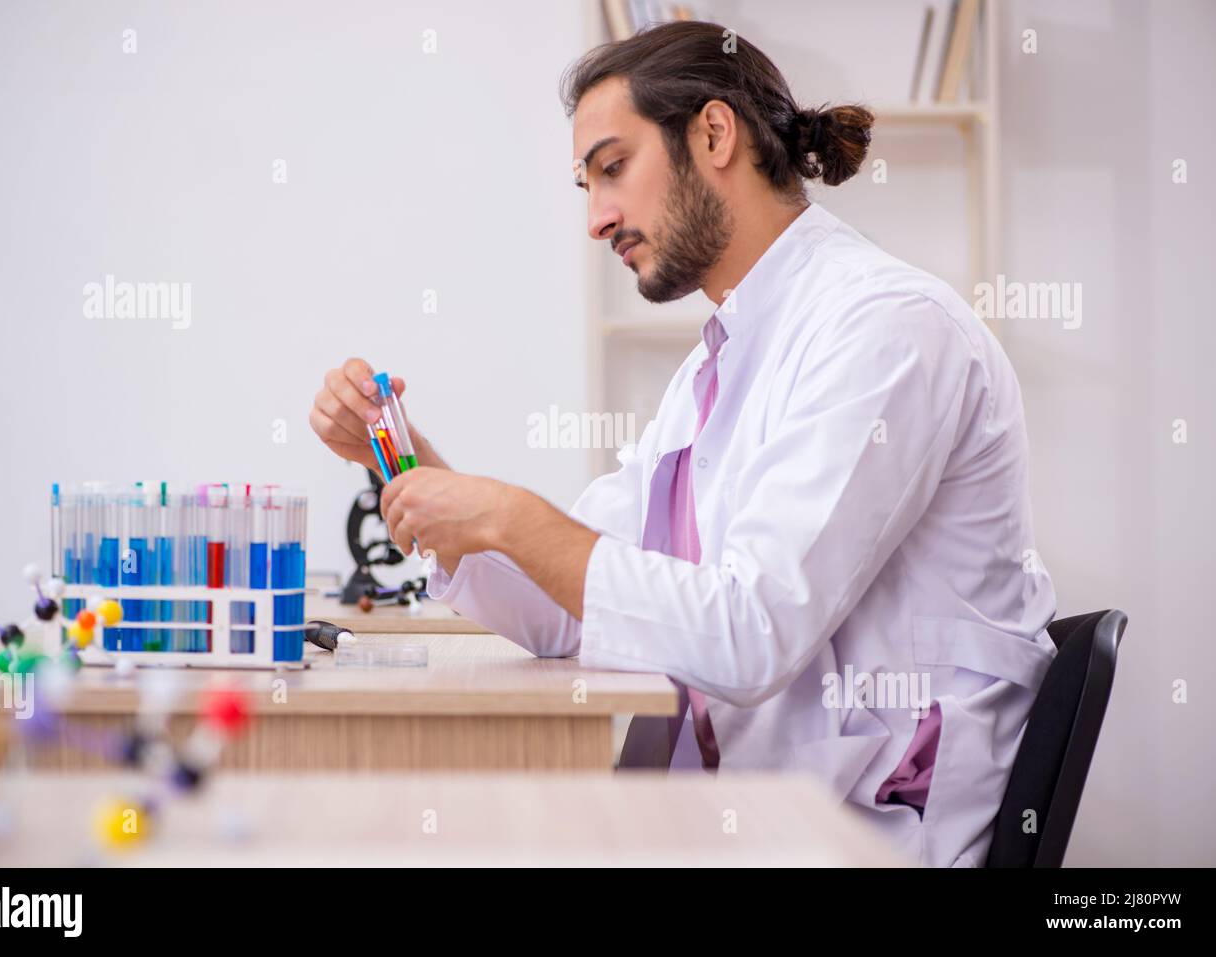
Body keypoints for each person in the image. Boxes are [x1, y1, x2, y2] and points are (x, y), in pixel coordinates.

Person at [309, 21, 1056, 867]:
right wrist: (404, 463)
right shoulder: (723, 365)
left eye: (613, 168)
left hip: (862, 836)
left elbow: (750, 631)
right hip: (753, 817)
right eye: (586, 184)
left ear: (712, 133)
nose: (597, 219)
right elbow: (564, 609)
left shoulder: (884, 329)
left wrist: (510, 515)